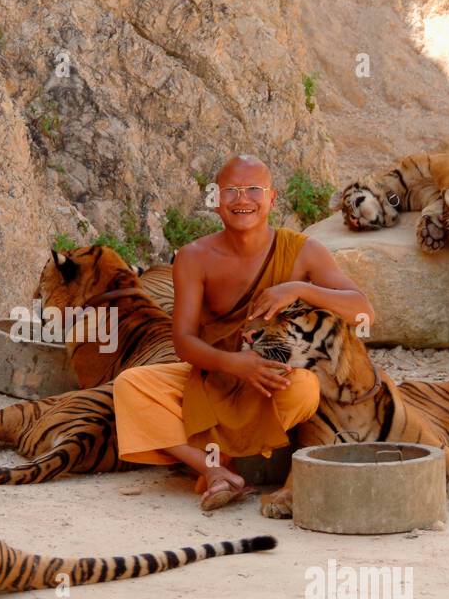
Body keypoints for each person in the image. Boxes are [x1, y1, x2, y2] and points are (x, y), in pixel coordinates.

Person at [114, 154, 375, 510]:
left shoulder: (303, 252)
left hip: (270, 382)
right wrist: (236, 364)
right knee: (130, 386)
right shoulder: (194, 257)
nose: (242, 200)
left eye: (254, 189)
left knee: (305, 387)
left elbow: (362, 309)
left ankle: (237, 455)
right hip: (214, 378)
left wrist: (298, 290)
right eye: (231, 191)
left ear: (272, 198)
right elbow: (183, 342)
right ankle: (217, 469)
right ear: (216, 200)